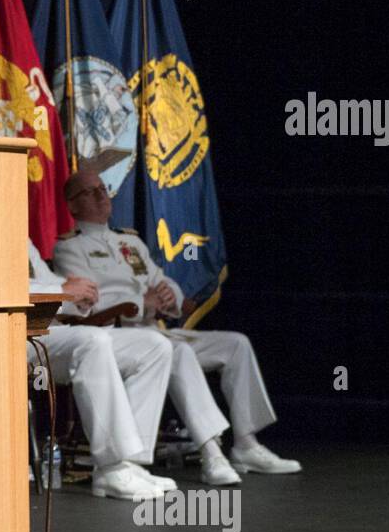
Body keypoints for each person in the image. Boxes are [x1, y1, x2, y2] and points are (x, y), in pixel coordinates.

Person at [54, 171, 301, 486]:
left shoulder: (129, 240)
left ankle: (246, 443)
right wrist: (141, 302)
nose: (102, 196)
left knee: (235, 344)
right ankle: (212, 453)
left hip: (156, 329)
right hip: (122, 334)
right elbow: (86, 301)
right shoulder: (69, 248)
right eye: (90, 192)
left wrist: (170, 295)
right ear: (73, 206)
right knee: (179, 351)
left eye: (104, 189)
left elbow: (160, 279)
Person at [26, 239, 176, 499]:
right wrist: (61, 289)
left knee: (154, 345)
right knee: (93, 341)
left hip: (50, 331)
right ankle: (111, 467)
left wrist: (80, 298)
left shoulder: (22, 237)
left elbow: (49, 281)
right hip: (14, 335)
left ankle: (131, 462)